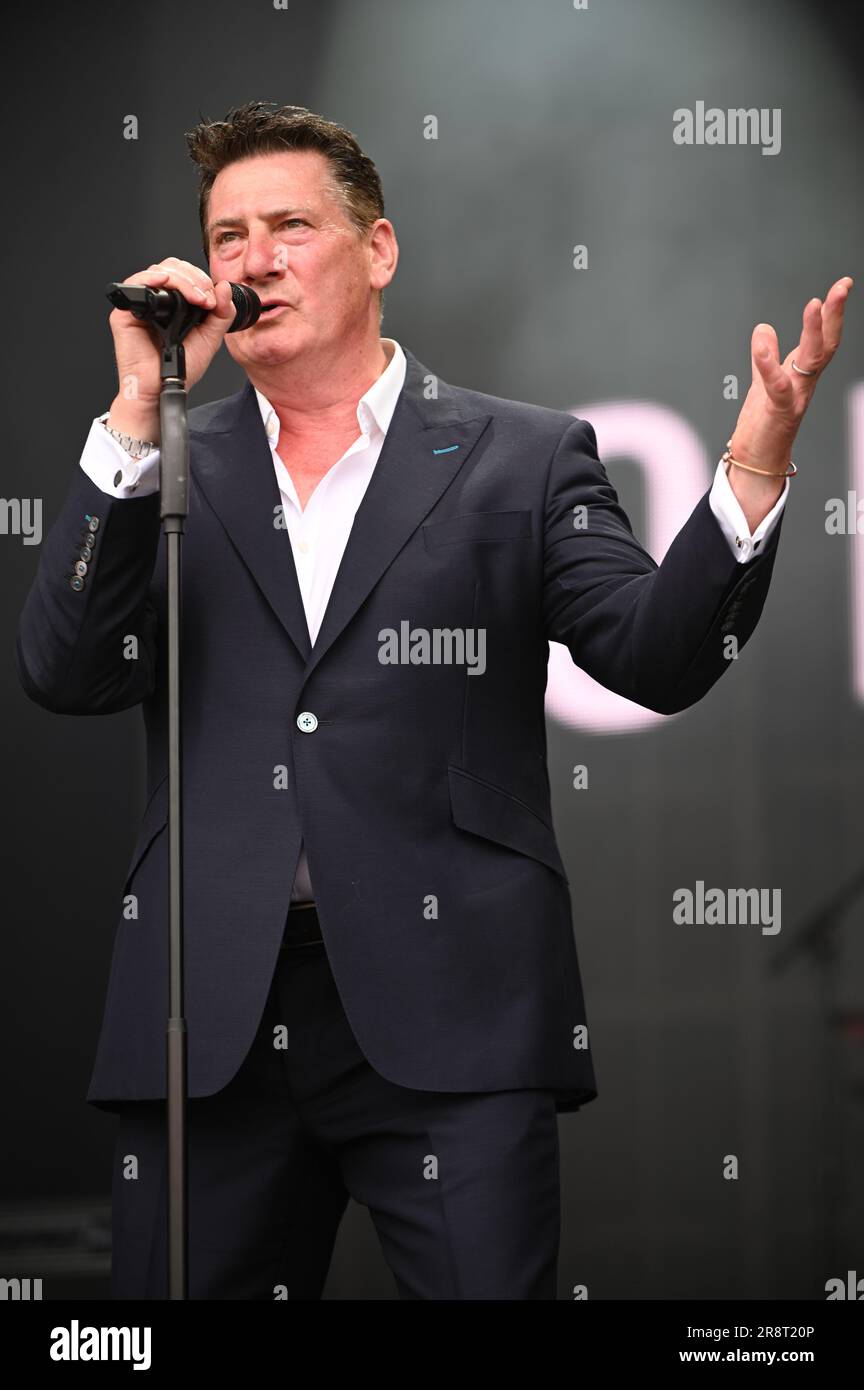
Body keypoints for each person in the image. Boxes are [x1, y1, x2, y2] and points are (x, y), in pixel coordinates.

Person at [15, 101, 852, 1300]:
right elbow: (64, 669)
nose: (253, 258)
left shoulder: (523, 456)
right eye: (228, 234)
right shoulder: (172, 468)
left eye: (290, 224)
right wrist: (137, 414)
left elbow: (655, 655)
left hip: (451, 1009)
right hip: (206, 1023)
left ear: (381, 250)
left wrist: (760, 453)